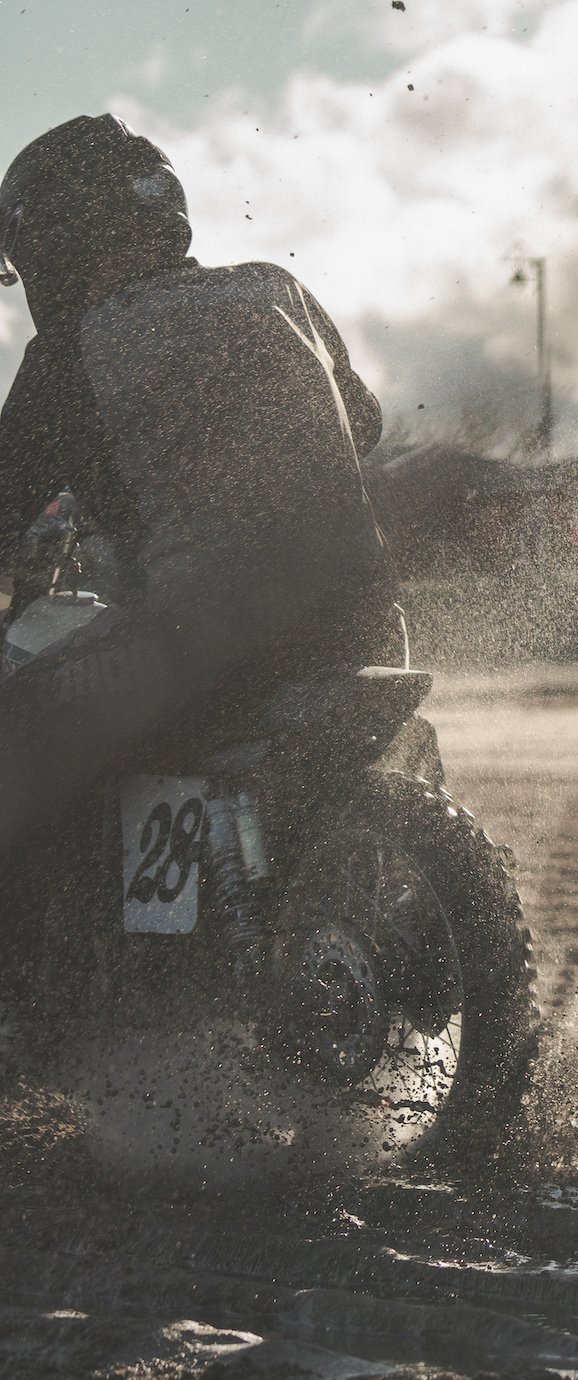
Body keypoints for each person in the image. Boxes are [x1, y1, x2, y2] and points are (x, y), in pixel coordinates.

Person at [0, 115, 394, 853]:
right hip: (363, 629)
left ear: (47, 241)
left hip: (202, 646)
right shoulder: (279, 290)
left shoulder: (68, 354)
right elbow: (362, 425)